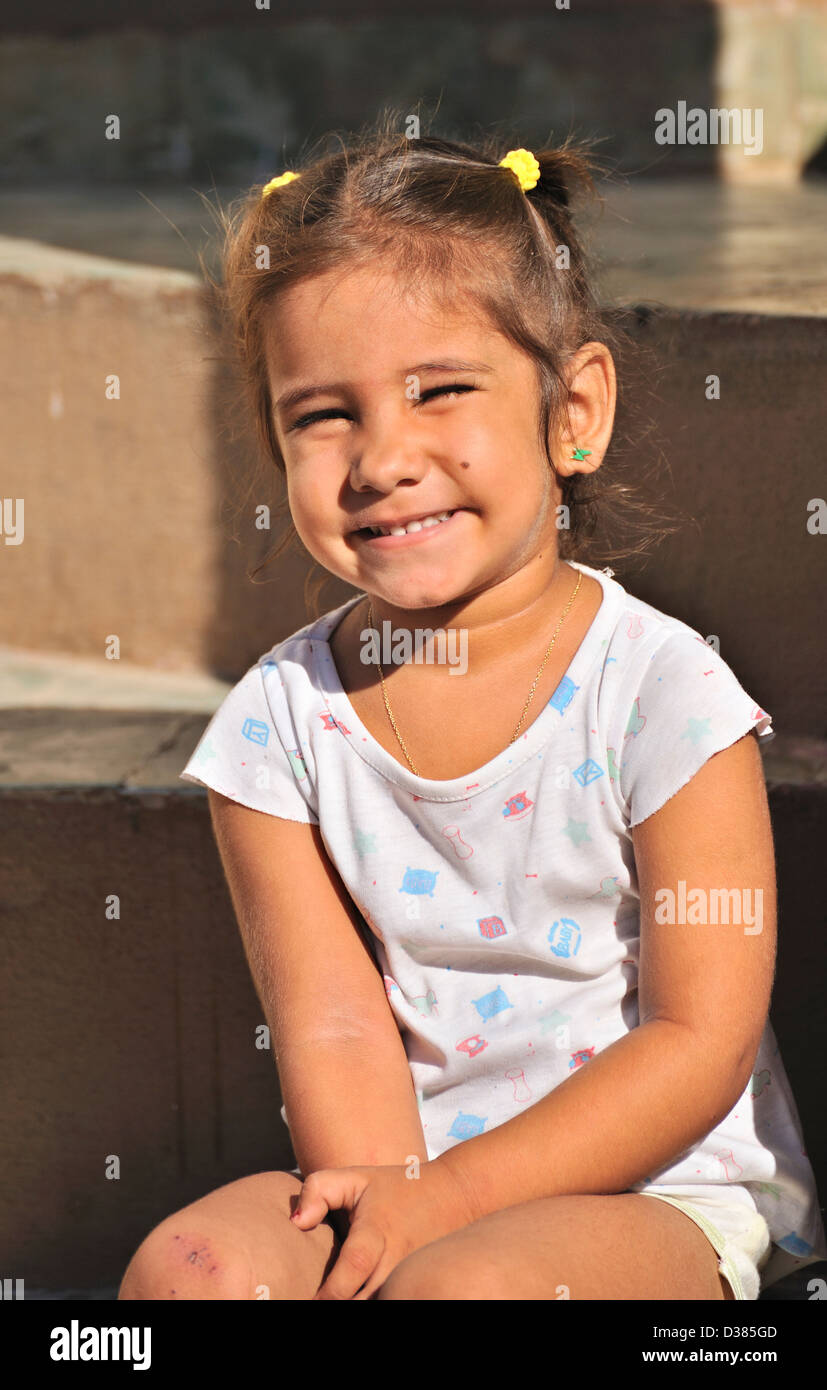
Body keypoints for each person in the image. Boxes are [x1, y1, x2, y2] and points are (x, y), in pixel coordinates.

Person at [118, 116, 826, 1302]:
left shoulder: (661, 692)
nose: (381, 457)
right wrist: (389, 1204)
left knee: (468, 1295)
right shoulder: (276, 725)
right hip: (398, 1174)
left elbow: (697, 1044)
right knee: (185, 1273)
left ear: (572, 414)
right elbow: (333, 1026)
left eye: (438, 389)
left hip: (660, 1192)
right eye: (321, 414)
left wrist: (443, 1213)